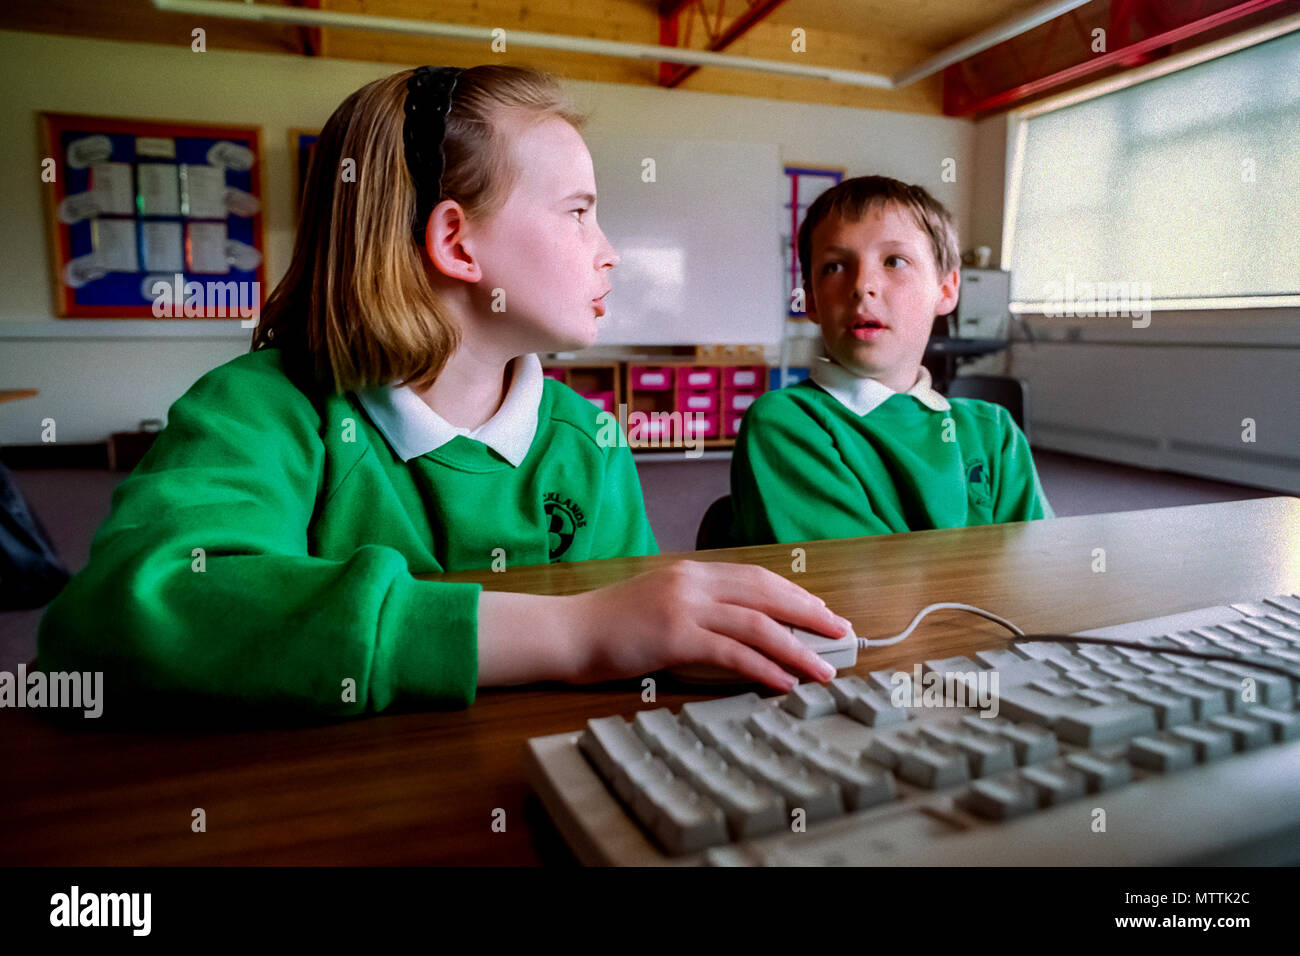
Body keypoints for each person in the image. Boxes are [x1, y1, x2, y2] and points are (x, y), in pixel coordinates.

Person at [36, 65, 851, 721]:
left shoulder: (586, 440)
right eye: (578, 212)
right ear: (456, 241)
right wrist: (572, 632)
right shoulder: (261, 408)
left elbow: (626, 670)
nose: (609, 253)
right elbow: (112, 621)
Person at [731, 175, 1052, 546]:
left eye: (894, 261)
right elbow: (858, 593)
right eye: (834, 266)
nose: (862, 285)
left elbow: (1037, 569)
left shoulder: (994, 432)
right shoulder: (787, 422)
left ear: (946, 289)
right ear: (812, 301)